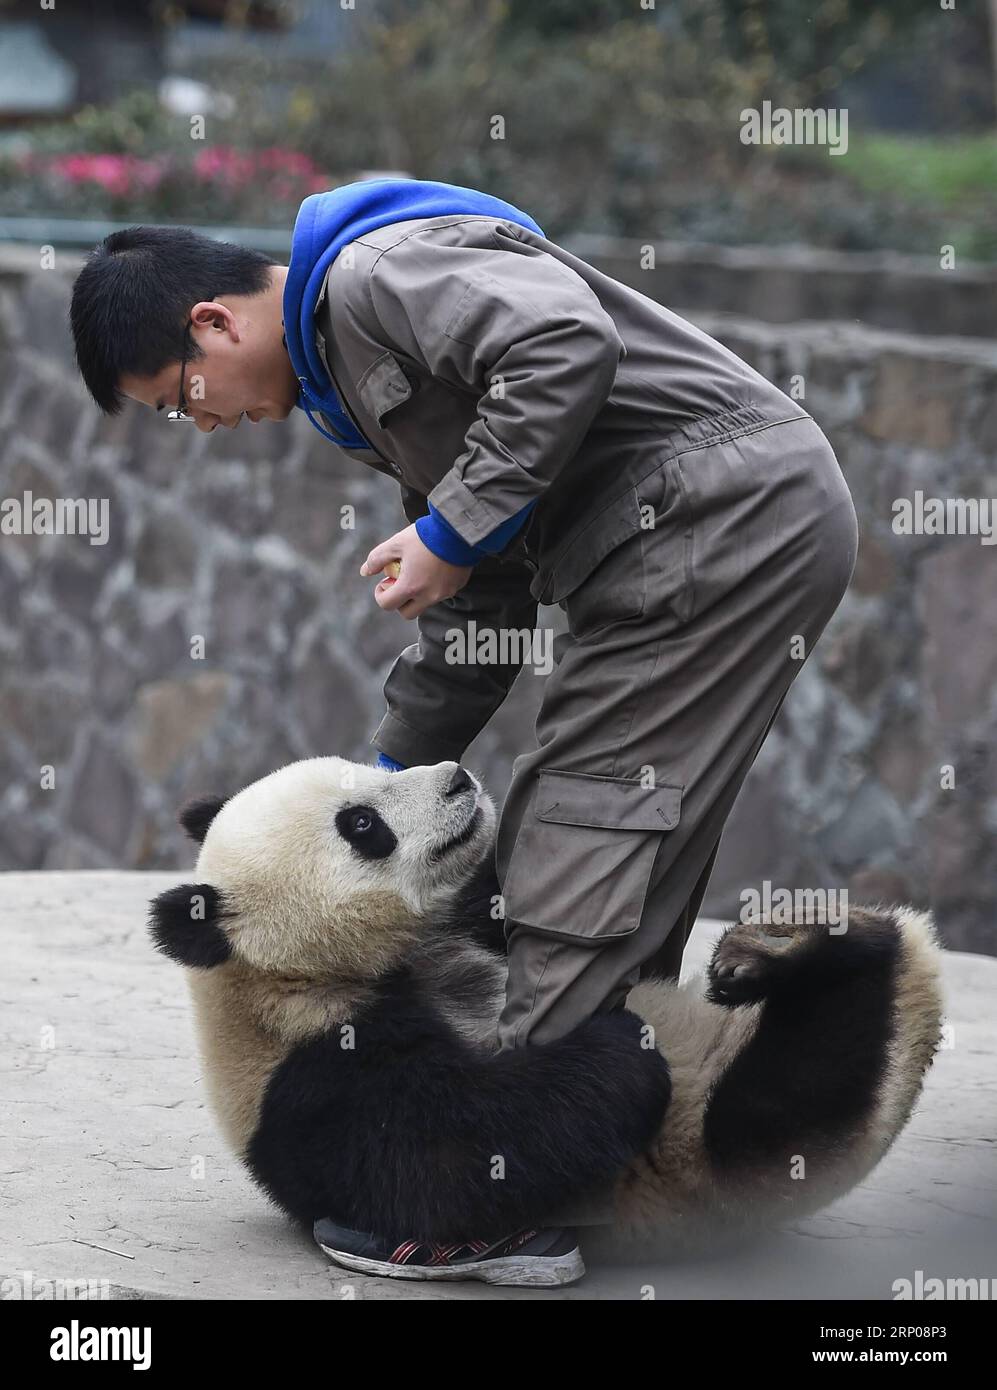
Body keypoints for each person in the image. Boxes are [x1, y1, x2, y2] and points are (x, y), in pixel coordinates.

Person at [69, 177, 858, 1287]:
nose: (199, 423)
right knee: (598, 837)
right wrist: (382, 776)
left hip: (710, 522)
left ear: (213, 322)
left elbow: (561, 344)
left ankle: (516, 1198)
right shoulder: (352, 374)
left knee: (577, 842)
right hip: (694, 531)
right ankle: (611, 1164)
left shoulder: (373, 275)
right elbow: (479, 598)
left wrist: (446, 523)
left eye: (179, 395)